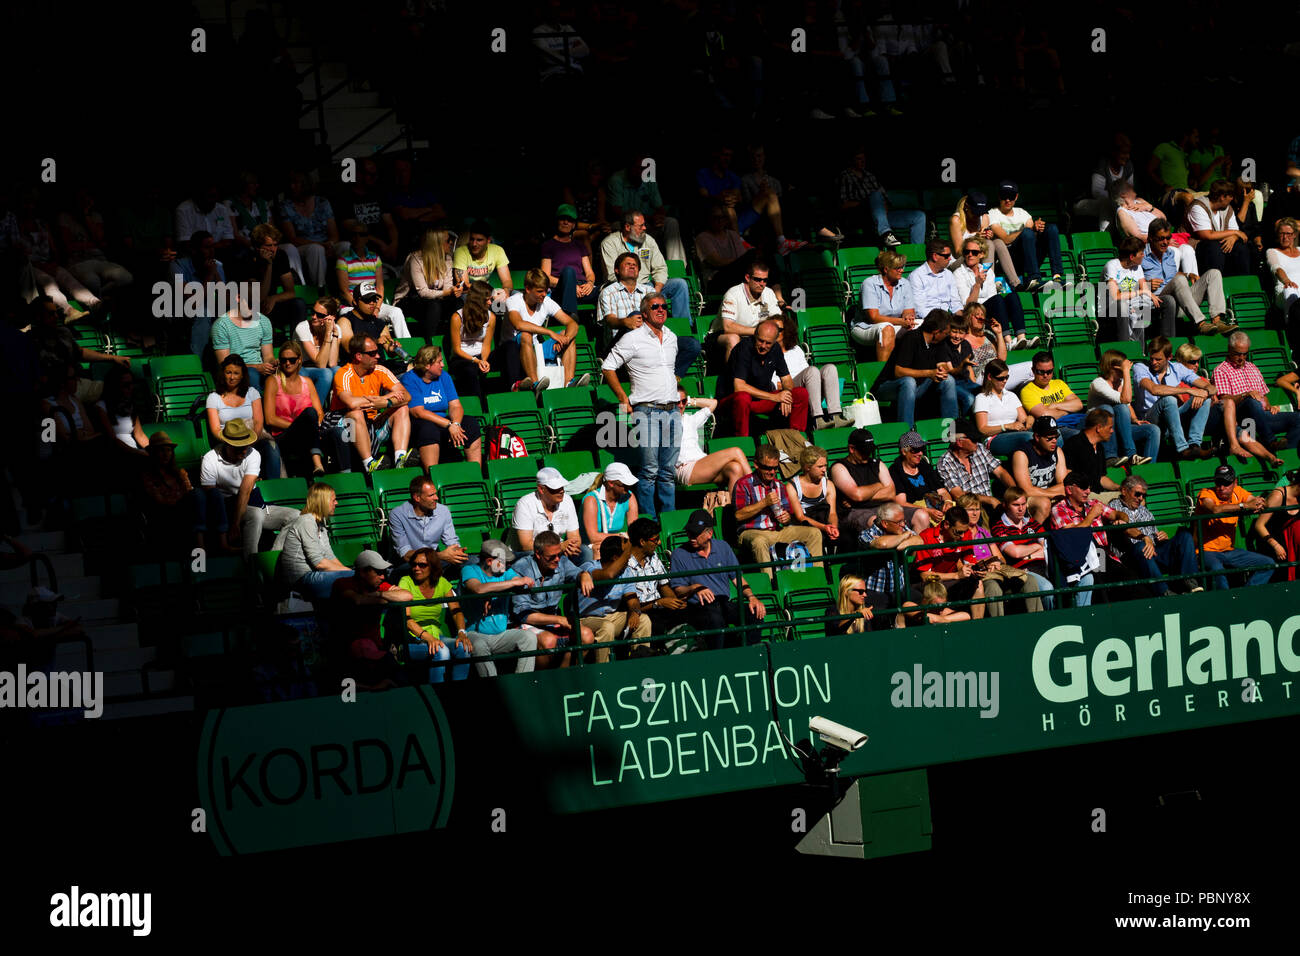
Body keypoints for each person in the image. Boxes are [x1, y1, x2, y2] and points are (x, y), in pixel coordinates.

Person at [601, 292, 681, 518]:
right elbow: (608, 367)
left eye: (664, 306)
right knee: (650, 471)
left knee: (667, 472)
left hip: (672, 410)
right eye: (655, 306)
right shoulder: (632, 338)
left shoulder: (672, 337)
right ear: (644, 313)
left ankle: (669, 521)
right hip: (646, 410)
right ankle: (648, 520)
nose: (661, 309)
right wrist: (622, 398)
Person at [198, 419, 299, 558]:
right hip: (225, 508)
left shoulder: (253, 454)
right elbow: (211, 495)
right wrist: (233, 523)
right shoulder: (210, 459)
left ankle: (274, 556)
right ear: (227, 444)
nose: (244, 449)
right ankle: (251, 560)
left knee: (295, 516)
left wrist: (236, 523)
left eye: (246, 445)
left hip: (252, 501)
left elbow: (246, 490)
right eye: (239, 446)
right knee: (255, 514)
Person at [668, 509, 767, 650]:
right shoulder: (679, 554)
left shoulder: (723, 547)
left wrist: (752, 597)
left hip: (723, 603)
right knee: (715, 619)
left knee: (754, 613)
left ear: (709, 533)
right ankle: (718, 660)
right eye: (689, 532)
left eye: (696, 533)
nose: (691, 536)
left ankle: (748, 654)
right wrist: (695, 587)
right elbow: (678, 590)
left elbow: (737, 579)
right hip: (698, 608)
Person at [508, 531, 602, 669]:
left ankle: (565, 674)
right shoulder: (521, 569)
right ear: (538, 555)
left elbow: (576, 573)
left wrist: (584, 574)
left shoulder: (561, 561)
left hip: (552, 620)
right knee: (549, 641)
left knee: (586, 636)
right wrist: (559, 620)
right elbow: (523, 614)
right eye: (551, 557)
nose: (557, 559)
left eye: (559, 554)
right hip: (524, 623)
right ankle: (542, 681)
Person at [695, 144, 808, 256]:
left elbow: (738, 197)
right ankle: (737, 242)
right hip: (716, 219)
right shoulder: (703, 173)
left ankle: (781, 241)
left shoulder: (732, 176)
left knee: (769, 194)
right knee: (726, 205)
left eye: (729, 156)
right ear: (716, 155)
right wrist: (720, 198)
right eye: (724, 155)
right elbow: (703, 196)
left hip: (738, 220)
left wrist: (730, 197)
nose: (727, 159)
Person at [330, 550, 414, 690]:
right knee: (350, 696)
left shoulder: (378, 587)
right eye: (378, 572)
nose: (382, 576)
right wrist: (384, 598)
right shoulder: (342, 583)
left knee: (403, 682)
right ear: (362, 572)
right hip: (347, 654)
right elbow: (357, 600)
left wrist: (379, 594)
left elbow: (407, 596)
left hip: (376, 650)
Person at [329, 334, 412, 473]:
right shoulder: (343, 374)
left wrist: (387, 402)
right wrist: (379, 400)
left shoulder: (379, 370)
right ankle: (369, 464)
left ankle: (400, 459)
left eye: (377, 352)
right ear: (359, 356)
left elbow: (406, 396)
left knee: (402, 407)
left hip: (371, 423)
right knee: (356, 413)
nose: (378, 356)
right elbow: (351, 403)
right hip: (345, 425)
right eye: (372, 353)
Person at [733, 444, 824, 571]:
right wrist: (764, 503)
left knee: (814, 533)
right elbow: (738, 515)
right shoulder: (744, 484)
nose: (772, 472)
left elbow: (789, 516)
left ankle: (816, 576)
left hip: (777, 531)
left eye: (775, 468)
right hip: (751, 531)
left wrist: (786, 518)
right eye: (767, 468)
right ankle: (770, 584)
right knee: (759, 541)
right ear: (756, 465)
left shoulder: (779, 485)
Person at [458, 539, 539, 678]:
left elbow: (523, 583)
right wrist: (488, 593)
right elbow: (478, 588)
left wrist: (490, 595)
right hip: (475, 633)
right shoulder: (469, 570)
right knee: (478, 645)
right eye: (504, 561)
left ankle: (522, 682)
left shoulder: (505, 572)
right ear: (490, 561)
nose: (508, 565)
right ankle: (495, 688)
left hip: (501, 635)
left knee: (528, 637)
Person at [1048, 471, 1130, 607]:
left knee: (1129, 578)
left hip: (1104, 555)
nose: (1088, 491)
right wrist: (1091, 516)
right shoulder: (1059, 510)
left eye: (1089, 487)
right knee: (1102, 584)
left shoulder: (1093, 503)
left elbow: (1117, 514)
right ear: (1069, 489)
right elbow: (1074, 536)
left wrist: (1122, 520)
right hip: (1081, 560)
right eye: (1083, 487)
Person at [955, 492, 1043, 616]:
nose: (975, 513)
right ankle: (999, 625)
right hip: (979, 575)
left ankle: (1038, 620)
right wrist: (981, 566)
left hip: (997, 570)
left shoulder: (984, 532)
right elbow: (958, 563)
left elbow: (1001, 558)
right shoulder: (959, 535)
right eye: (970, 510)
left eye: (977, 509)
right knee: (993, 587)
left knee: (1030, 580)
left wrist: (996, 562)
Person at [717, 319, 810, 436]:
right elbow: (739, 387)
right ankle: (743, 443)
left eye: (768, 343)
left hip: (761, 400)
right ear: (755, 335)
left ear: (775, 341)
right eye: (760, 341)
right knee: (743, 398)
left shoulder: (776, 349)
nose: (763, 346)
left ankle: (796, 439)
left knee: (801, 393)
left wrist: (786, 394)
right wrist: (774, 397)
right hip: (732, 401)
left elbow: (786, 379)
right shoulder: (744, 348)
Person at [1212, 332, 1300, 455]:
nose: (1241, 358)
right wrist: (1245, 395)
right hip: (1241, 418)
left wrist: (1269, 406)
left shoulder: (1253, 367)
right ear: (1229, 350)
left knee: (1298, 418)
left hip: (1261, 417)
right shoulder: (1221, 370)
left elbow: (1264, 396)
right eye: (1238, 354)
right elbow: (1225, 400)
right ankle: (1271, 442)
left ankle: (1286, 451)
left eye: (1245, 354)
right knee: (1251, 401)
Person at [1114, 475, 1203, 596]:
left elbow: (1154, 533)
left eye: (1143, 496)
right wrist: (1146, 540)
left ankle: (1191, 582)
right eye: (1137, 494)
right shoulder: (1113, 508)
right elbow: (1125, 530)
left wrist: (1160, 537)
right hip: (1131, 556)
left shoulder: (1145, 511)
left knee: (1184, 536)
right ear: (1124, 491)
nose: (1141, 498)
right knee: (1141, 547)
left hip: (1153, 552)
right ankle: (1164, 592)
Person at [1142, 219, 1231, 337]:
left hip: (1182, 302)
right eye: (1160, 238)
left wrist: (1188, 275)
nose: (1165, 242)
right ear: (1150, 238)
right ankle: (1200, 323)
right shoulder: (1140, 257)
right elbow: (1126, 284)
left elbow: (1172, 276)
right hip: (1161, 303)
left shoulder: (1170, 253)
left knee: (1214, 273)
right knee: (1179, 280)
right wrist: (1147, 285)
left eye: (1168, 238)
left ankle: (1217, 320)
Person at [1132, 336, 1216, 461]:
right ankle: (1182, 449)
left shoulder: (1177, 368)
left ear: (1169, 357)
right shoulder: (1140, 367)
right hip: (1150, 418)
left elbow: (1212, 388)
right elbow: (1154, 389)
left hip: (1173, 418)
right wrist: (1188, 390)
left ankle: (1195, 445)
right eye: (1152, 358)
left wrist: (1204, 393)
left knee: (1206, 399)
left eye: (1158, 359)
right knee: (1169, 399)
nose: (1154, 362)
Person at [504, 268, 588, 390]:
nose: (544, 294)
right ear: (528, 289)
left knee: (568, 334)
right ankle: (535, 384)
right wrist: (550, 332)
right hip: (513, 349)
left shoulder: (546, 301)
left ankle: (569, 382)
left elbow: (572, 323)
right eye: (539, 291)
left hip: (535, 349)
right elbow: (519, 324)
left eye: (545, 290)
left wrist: (565, 339)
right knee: (526, 334)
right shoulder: (514, 300)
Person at [599, 210, 692, 318]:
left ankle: (684, 328)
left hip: (650, 286)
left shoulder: (648, 240)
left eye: (644, 224)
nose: (645, 228)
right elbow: (612, 276)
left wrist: (655, 290)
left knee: (679, 285)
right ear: (628, 227)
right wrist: (640, 289)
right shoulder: (610, 243)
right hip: (626, 288)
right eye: (641, 226)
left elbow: (660, 268)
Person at [401, 345, 482, 467]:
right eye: (439, 362)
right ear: (427, 365)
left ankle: (475, 473)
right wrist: (448, 424)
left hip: (444, 423)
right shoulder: (410, 379)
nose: (443, 365)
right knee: (428, 429)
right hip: (419, 424)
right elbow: (418, 412)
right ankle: (433, 477)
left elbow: (455, 405)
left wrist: (456, 424)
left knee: (471, 424)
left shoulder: (444, 376)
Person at [873, 309, 957, 427]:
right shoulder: (911, 338)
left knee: (948, 380)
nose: (947, 336)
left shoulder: (940, 342)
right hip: (888, 387)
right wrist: (929, 373)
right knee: (908, 381)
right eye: (946, 333)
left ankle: (952, 431)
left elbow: (941, 363)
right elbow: (898, 372)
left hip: (918, 387)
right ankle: (907, 436)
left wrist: (941, 370)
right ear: (937, 332)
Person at [1195, 465, 1273, 590]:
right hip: (1206, 551)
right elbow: (1215, 509)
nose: (1221, 488)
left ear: (1235, 482)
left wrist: (1261, 503)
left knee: (1268, 564)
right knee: (1217, 569)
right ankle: (1225, 601)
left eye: (1226, 484)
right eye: (1218, 483)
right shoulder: (1206, 493)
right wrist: (1245, 505)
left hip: (1229, 551)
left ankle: (1246, 596)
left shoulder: (1239, 492)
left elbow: (1260, 502)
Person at [399, 549, 472, 683]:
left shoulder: (442, 582)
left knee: (463, 648)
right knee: (442, 652)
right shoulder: (406, 582)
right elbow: (407, 619)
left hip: (438, 636)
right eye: (414, 564)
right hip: (412, 640)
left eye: (422, 565)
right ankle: (437, 694)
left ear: (432, 567)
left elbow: (456, 611)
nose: (416, 568)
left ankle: (459, 692)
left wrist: (462, 632)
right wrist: (428, 638)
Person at [206, 354, 283, 480]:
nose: (231, 377)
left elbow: (258, 423)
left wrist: (250, 441)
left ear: (242, 375)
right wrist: (234, 442)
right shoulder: (213, 397)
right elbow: (215, 430)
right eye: (228, 372)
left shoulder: (252, 393)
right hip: (227, 441)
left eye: (236, 373)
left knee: (271, 447)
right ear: (223, 374)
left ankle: (274, 487)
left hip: (252, 438)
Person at [619, 517, 690, 655]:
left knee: (689, 615)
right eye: (655, 540)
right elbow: (631, 606)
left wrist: (676, 602)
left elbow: (664, 586)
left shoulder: (653, 557)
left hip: (660, 608)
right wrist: (659, 603)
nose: (659, 543)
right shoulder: (624, 565)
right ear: (642, 541)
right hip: (641, 612)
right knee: (658, 624)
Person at [578, 536, 652, 664]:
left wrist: (634, 612)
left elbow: (632, 599)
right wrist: (628, 550)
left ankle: (641, 665)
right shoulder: (589, 567)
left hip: (611, 617)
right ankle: (604, 670)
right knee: (606, 627)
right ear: (616, 558)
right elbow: (608, 575)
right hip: (585, 619)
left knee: (643, 619)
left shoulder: (625, 571)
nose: (630, 558)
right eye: (627, 554)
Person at [952, 236, 1033, 350]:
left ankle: (1021, 338)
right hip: (973, 312)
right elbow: (968, 305)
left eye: (974, 252)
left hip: (990, 310)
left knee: (1012, 296)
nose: (970, 255)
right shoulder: (958, 273)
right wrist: (977, 284)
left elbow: (992, 295)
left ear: (981, 254)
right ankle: (1008, 341)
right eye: (967, 252)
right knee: (998, 300)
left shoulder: (988, 272)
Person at [276, 482, 353, 600]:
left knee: (355, 580)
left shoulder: (320, 524)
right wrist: (353, 574)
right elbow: (319, 563)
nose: (336, 503)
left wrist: (350, 573)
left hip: (315, 575)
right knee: (355, 579)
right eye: (333, 500)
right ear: (323, 501)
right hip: (301, 580)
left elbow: (330, 557)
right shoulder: (306, 521)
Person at [774, 314, 851, 430]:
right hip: (789, 389)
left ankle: (835, 416)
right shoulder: (769, 354)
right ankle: (817, 419)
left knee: (830, 368)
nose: (774, 332)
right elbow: (775, 384)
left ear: (786, 331)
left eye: (778, 329)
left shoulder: (796, 350)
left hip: (808, 387)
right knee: (812, 371)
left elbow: (807, 372)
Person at [836, 148, 925, 246]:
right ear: (851, 160)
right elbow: (843, 205)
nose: (862, 162)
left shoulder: (870, 176)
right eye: (859, 159)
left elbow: (885, 200)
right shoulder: (845, 176)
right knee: (875, 195)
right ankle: (886, 234)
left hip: (881, 217)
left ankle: (916, 253)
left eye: (864, 159)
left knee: (919, 216)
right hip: (861, 217)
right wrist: (867, 203)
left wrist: (882, 207)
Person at [262, 342, 326, 477]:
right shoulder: (272, 381)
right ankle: (317, 462)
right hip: (284, 435)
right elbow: (270, 419)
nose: (288, 363)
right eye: (284, 360)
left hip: (307, 434)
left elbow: (319, 413)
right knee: (309, 413)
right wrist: (299, 427)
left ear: (299, 360)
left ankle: (347, 478)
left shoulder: (307, 382)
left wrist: (309, 427)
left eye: (291, 360)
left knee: (338, 433)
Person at [1087, 351, 1159, 467]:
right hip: (1097, 428)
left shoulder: (1121, 381)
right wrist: (1126, 372)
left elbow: (1127, 405)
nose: (1127, 370)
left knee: (1153, 430)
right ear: (1112, 368)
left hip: (1117, 427)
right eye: (1123, 368)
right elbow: (1125, 399)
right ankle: (1112, 457)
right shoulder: (1098, 384)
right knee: (1107, 409)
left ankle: (1149, 469)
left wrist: (1135, 419)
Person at [913, 507, 987, 620]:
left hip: (953, 581)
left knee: (978, 583)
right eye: (958, 532)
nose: (962, 536)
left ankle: (977, 625)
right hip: (931, 583)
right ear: (947, 524)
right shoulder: (927, 537)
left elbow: (969, 562)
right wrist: (957, 575)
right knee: (936, 596)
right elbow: (924, 576)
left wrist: (975, 570)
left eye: (964, 531)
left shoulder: (965, 534)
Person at [674, 389, 751, 495]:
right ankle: (756, 489)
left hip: (702, 464)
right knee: (736, 451)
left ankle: (735, 508)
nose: (681, 405)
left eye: (683, 402)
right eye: (677, 402)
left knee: (735, 468)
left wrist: (689, 400)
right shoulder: (665, 421)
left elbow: (713, 403)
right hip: (684, 468)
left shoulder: (690, 419)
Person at [988, 180, 1063, 289]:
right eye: (1004, 196)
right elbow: (1006, 239)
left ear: (1016, 197)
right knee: (1027, 232)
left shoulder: (1022, 213)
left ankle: (1057, 275)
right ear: (999, 196)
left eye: (1011, 196)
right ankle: (1034, 278)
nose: (1008, 200)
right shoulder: (992, 214)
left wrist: (1037, 228)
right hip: (1009, 260)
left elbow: (1033, 234)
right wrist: (1029, 229)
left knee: (1051, 229)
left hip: (1029, 256)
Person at [136, 431, 202, 552]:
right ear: (153, 453)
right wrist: (180, 499)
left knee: (198, 496)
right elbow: (159, 501)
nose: (166, 454)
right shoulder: (147, 476)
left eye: (168, 450)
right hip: (163, 516)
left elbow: (188, 492)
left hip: (184, 513)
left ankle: (201, 545)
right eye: (161, 450)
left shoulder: (180, 473)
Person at [990, 488, 1055, 608]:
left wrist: (1028, 555)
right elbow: (1014, 553)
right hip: (1021, 572)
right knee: (1047, 589)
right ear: (1005, 505)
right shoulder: (999, 527)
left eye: (1023, 504)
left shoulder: (1032, 523)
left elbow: (1046, 548)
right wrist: (1036, 546)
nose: (1021, 509)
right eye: (1015, 505)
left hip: (1043, 568)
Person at [831, 428, 900, 539]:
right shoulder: (839, 467)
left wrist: (861, 498)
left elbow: (891, 493)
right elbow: (857, 495)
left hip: (881, 508)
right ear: (852, 449)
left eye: (869, 451)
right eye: (863, 451)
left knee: (920, 515)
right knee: (878, 522)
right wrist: (879, 485)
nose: (867, 455)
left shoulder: (877, 463)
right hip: (854, 512)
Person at [388, 476, 469, 568]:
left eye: (436, 494)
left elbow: (451, 541)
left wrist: (457, 552)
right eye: (431, 495)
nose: (437, 498)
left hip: (434, 562)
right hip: (409, 565)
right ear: (417, 498)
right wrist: (439, 555)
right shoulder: (397, 514)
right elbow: (405, 555)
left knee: (473, 562)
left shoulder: (443, 511)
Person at [937, 419, 1016, 513]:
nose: (977, 442)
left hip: (990, 507)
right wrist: (990, 500)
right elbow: (959, 495)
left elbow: (1001, 472)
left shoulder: (980, 449)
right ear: (959, 442)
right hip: (969, 510)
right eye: (974, 439)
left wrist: (1015, 492)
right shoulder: (945, 463)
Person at [949, 190, 1022, 291]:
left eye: (980, 213)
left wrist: (988, 235)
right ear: (966, 207)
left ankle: (1016, 283)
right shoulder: (956, 220)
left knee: (997, 242)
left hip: (977, 259)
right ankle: (989, 284)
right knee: (988, 244)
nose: (977, 216)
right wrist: (975, 239)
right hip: (958, 262)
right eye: (975, 212)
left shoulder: (984, 217)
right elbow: (957, 252)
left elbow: (986, 244)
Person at [394, 227, 459, 341]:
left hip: (436, 300)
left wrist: (453, 291)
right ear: (437, 244)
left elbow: (448, 285)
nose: (451, 243)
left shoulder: (447, 258)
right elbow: (423, 292)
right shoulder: (416, 259)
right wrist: (446, 292)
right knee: (434, 306)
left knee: (457, 303)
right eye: (448, 240)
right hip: (410, 299)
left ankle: (456, 343)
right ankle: (429, 346)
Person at [277, 170, 338, 288]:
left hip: (326, 243)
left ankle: (353, 287)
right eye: (291, 183)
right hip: (302, 246)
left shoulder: (322, 202)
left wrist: (330, 244)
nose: (292, 186)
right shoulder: (286, 206)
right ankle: (320, 289)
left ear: (306, 184)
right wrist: (322, 245)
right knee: (316, 249)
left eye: (296, 183)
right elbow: (292, 238)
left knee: (345, 246)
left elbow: (334, 234)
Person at [713, 259, 781, 362]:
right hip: (721, 336)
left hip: (755, 336)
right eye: (758, 279)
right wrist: (760, 332)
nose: (762, 284)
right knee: (733, 338)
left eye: (765, 280)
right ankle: (733, 377)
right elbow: (728, 327)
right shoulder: (733, 294)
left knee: (780, 335)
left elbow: (777, 320)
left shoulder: (769, 293)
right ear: (747, 278)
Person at [246, 223, 307, 335]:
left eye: (275, 245)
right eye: (268, 245)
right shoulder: (247, 260)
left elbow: (291, 292)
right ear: (257, 247)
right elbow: (259, 297)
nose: (273, 249)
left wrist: (274, 298)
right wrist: (269, 266)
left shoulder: (280, 256)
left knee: (299, 304)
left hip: (270, 305)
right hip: (250, 309)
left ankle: (296, 345)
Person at [853, 248, 913, 360]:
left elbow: (909, 310)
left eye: (902, 267)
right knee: (887, 328)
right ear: (886, 269)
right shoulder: (870, 284)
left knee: (924, 325)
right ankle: (885, 373)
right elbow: (873, 318)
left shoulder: (905, 283)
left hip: (896, 324)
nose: (902, 270)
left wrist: (908, 317)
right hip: (866, 327)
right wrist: (900, 321)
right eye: (898, 268)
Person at [512, 467, 583, 558]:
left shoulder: (567, 500)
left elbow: (575, 536)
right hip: (530, 554)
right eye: (556, 488)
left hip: (557, 552)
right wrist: (559, 547)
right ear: (541, 489)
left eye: (562, 487)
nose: (561, 491)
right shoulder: (525, 504)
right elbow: (526, 545)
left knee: (584, 551)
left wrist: (572, 546)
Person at [293, 295, 353, 405]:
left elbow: (332, 363)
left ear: (331, 317)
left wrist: (333, 334)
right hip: (301, 368)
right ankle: (316, 412)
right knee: (325, 373)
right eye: (312, 312)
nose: (314, 317)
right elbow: (320, 364)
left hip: (321, 368)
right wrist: (327, 334)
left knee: (338, 370)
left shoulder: (336, 329)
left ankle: (337, 410)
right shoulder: (302, 327)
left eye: (320, 315)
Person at [540, 204, 597, 317]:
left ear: (574, 225)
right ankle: (571, 317)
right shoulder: (548, 245)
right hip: (561, 289)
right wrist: (570, 285)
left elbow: (589, 272)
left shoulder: (579, 245)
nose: (566, 222)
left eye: (570, 220)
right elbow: (545, 276)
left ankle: (602, 329)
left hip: (583, 289)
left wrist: (590, 284)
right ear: (557, 221)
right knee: (569, 271)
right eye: (562, 219)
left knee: (608, 289)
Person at [210, 295, 276, 390]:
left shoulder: (263, 321)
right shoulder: (222, 325)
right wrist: (256, 367)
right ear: (238, 298)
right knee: (252, 375)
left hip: (260, 370)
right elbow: (225, 364)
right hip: (235, 372)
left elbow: (268, 356)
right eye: (249, 303)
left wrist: (273, 363)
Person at [1102, 236, 1160, 344]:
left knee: (1168, 301)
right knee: (1124, 305)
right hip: (1112, 306)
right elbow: (1115, 296)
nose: (1144, 255)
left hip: (1132, 302)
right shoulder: (1112, 266)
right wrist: (1142, 292)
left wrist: (1150, 296)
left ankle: (1163, 344)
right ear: (1132, 256)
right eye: (1141, 253)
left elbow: (1145, 289)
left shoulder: (1137, 267)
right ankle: (1126, 346)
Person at [888, 430, 949, 534]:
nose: (920, 453)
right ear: (904, 451)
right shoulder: (895, 470)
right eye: (915, 450)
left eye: (922, 449)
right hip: (912, 511)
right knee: (922, 516)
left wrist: (947, 503)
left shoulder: (924, 466)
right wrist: (928, 511)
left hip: (933, 506)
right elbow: (901, 502)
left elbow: (942, 491)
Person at [447, 281, 497, 405]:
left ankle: (514, 390)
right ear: (477, 300)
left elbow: (486, 345)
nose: (491, 303)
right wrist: (476, 361)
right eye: (487, 300)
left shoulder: (491, 317)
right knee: (471, 370)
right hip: (462, 358)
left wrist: (484, 360)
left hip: (481, 356)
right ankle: (479, 407)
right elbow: (457, 349)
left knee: (510, 347)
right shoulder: (457, 317)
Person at [1187, 179, 1251, 277]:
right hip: (1199, 248)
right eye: (1230, 196)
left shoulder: (1227, 208)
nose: (1232, 199)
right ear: (1222, 197)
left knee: (1240, 247)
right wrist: (1235, 232)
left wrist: (1234, 237)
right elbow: (1206, 235)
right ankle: (1214, 283)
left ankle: (1242, 285)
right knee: (1214, 247)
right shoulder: (1198, 207)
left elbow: (1235, 231)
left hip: (1219, 246)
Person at [1011, 416, 1068, 524]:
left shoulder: (1057, 451)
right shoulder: (1022, 454)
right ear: (1037, 437)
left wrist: (1047, 492)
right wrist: (1054, 494)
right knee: (1044, 503)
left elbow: (1064, 484)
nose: (1054, 441)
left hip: (1045, 493)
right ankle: (1032, 536)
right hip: (1024, 499)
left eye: (1056, 437)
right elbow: (1026, 491)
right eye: (1049, 438)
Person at [786, 446, 841, 553]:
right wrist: (824, 528)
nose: (824, 470)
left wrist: (833, 527)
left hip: (824, 524)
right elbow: (800, 517)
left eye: (825, 465)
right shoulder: (792, 486)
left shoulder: (828, 484)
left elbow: (832, 513)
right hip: (803, 528)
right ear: (807, 467)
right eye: (820, 466)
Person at [1062, 408, 1125, 501]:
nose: (1112, 431)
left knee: (1130, 497)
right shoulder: (1074, 445)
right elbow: (1067, 475)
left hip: (1098, 495)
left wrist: (1119, 488)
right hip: (1083, 497)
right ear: (1098, 428)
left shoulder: (1100, 448)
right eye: (1110, 427)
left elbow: (1101, 478)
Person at [974, 359, 1033, 456]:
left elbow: (1024, 419)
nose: (1005, 381)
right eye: (1001, 378)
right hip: (994, 438)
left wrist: (1030, 419)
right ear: (989, 377)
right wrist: (1006, 426)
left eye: (1007, 377)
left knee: (1044, 434)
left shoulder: (1011, 395)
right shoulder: (982, 398)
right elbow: (982, 429)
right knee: (1029, 438)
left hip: (1014, 433)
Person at [1020, 351, 1084, 435]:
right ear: (1033, 370)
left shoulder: (1059, 383)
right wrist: (1068, 410)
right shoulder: (1027, 391)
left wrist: (1055, 405)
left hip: (1076, 419)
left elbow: (1078, 404)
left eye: (1049, 371)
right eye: (1041, 372)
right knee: (1081, 436)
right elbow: (1045, 415)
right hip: (1056, 427)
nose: (1045, 375)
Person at [580, 462, 640, 552]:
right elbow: (593, 537)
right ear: (611, 483)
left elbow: (634, 532)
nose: (628, 487)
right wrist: (623, 536)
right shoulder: (591, 500)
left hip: (614, 545)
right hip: (588, 548)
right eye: (624, 485)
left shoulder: (630, 497)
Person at [1255, 468, 1300, 582]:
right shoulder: (1278, 495)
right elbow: (1259, 525)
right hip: (1274, 544)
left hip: (1291, 544)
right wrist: (1276, 546)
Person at [1267, 217, 1300, 362]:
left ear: (1294, 235)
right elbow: (1276, 268)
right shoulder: (1272, 251)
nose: (1285, 237)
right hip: (1284, 290)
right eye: (1281, 233)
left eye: (1288, 233)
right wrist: (1286, 280)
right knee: (1290, 291)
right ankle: (1293, 336)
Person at [451, 220, 512, 292]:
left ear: (488, 240)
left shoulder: (497, 250)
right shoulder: (461, 252)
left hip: (485, 291)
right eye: (472, 239)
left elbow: (507, 281)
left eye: (479, 240)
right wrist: (488, 292)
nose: (474, 244)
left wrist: (505, 293)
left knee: (514, 294)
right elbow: (464, 286)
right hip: (468, 293)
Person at [909, 239, 962, 319]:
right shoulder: (916, 276)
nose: (950, 259)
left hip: (947, 319)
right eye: (947, 256)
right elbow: (919, 310)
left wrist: (962, 319)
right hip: (927, 321)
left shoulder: (948, 274)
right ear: (935, 256)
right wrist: (940, 320)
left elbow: (955, 303)